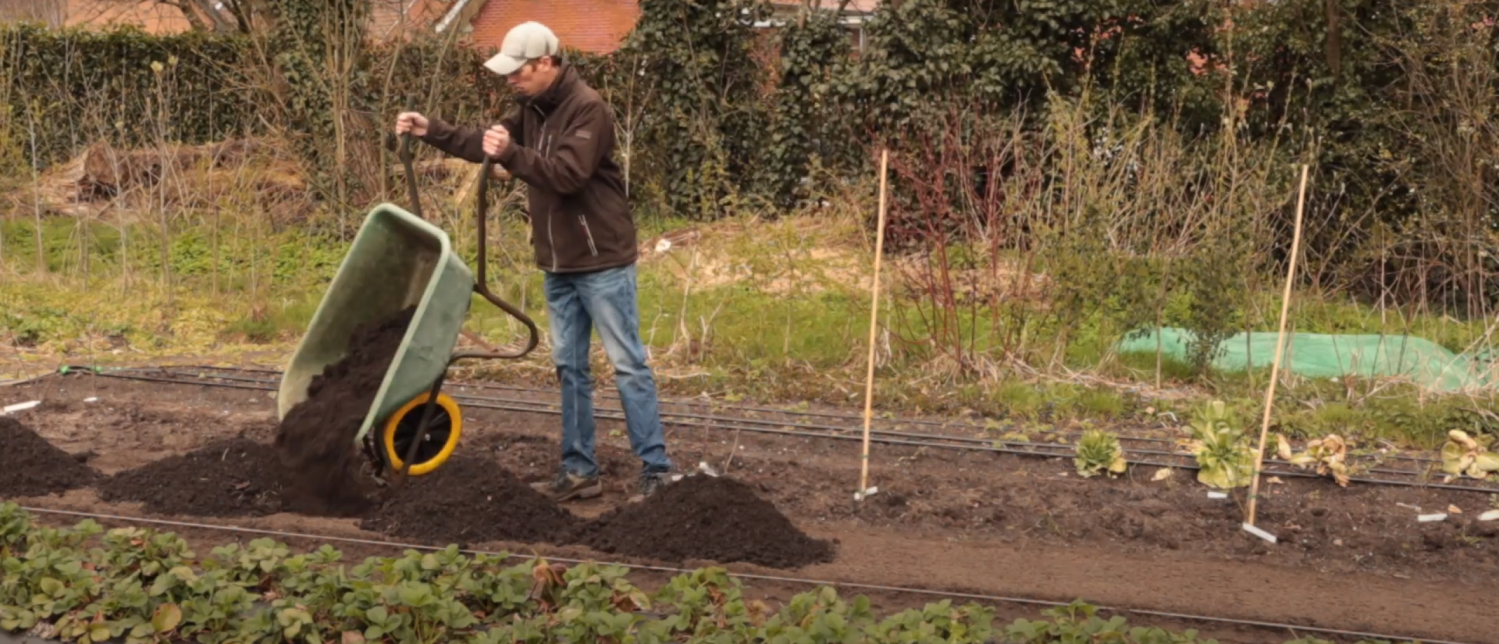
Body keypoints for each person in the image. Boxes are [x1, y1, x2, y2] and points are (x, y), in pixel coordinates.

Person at [394, 21, 673, 502]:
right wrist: (431, 130)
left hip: (601, 260)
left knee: (627, 365)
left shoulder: (588, 109)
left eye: (518, 72)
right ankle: (580, 471)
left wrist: (513, 156)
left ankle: (657, 471)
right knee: (570, 367)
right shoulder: (531, 107)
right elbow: (487, 142)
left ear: (546, 63)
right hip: (558, 265)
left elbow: (566, 175)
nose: (511, 81)